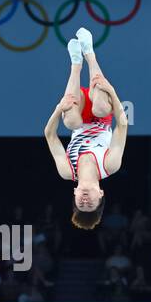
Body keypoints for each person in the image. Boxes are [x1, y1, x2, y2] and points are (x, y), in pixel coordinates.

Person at [42, 28, 129, 231]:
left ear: (74, 193)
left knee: (71, 122)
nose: (85, 200)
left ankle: (75, 64)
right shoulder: (110, 165)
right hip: (101, 112)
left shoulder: (67, 171)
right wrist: (112, 92)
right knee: (100, 107)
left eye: (81, 204)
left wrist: (58, 109)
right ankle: (90, 54)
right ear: (101, 195)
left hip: (78, 110)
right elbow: (122, 125)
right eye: (91, 204)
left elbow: (50, 136)